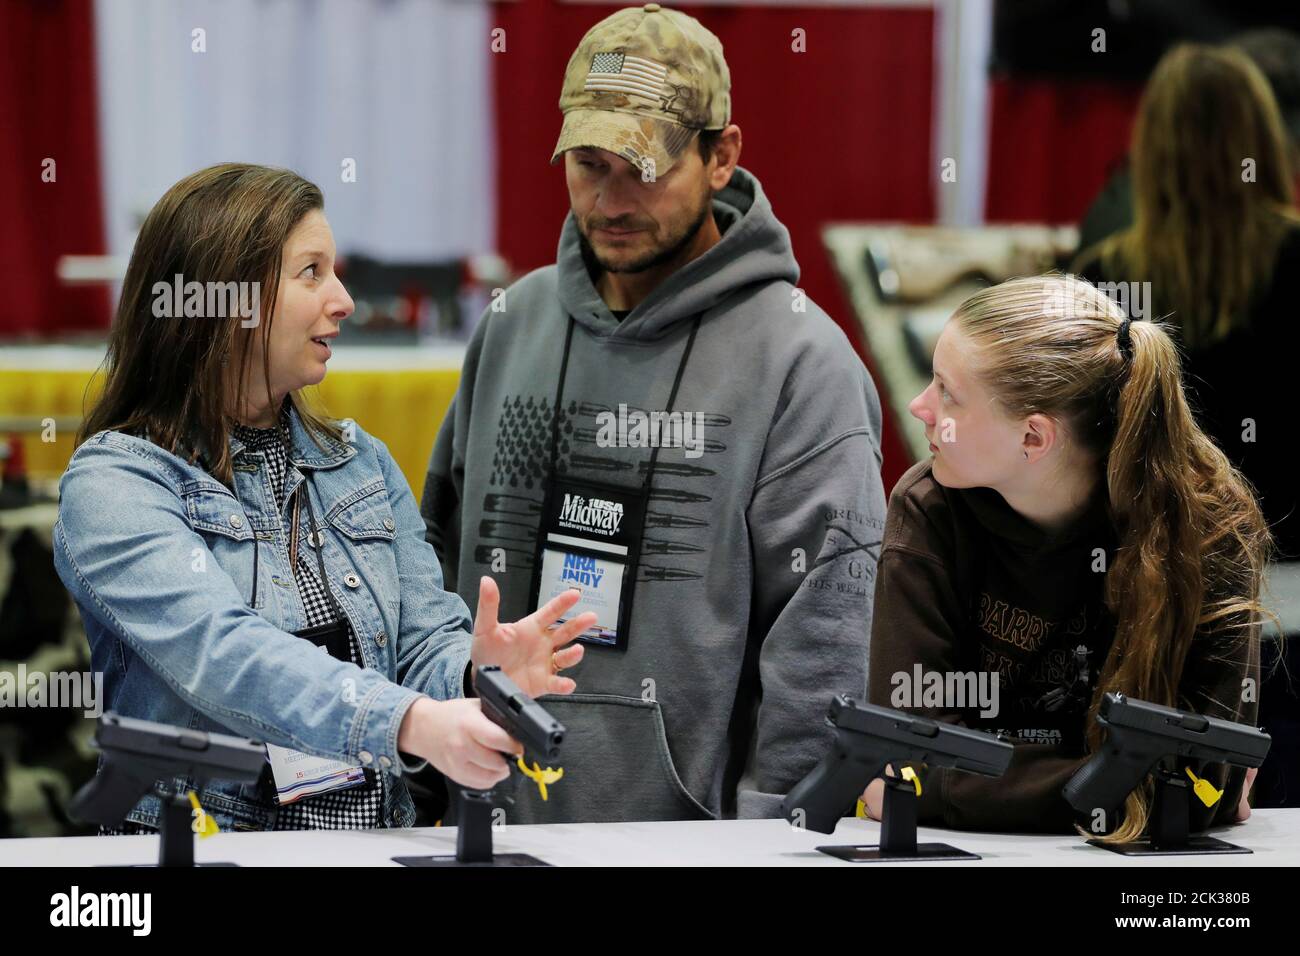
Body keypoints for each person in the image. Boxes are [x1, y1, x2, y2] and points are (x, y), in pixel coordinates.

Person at [421, 4, 887, 822]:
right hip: (477, 830)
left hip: (693, 849)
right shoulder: (511, 324)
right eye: (589, 163)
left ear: (722, 156)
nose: (609, 199)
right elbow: (429, 574)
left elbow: (825, 646)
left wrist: (777, 836)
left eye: (643, 166)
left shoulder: (802, 363)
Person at [53, 163, 595, 833]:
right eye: (311, 273)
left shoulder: (360, 461)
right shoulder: (115, 484)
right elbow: (226, 656)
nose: (342, 300)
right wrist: (410, 722)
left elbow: (422, 645)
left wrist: (473, 674)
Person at [865, 275, 1266, 842]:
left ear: (1033, 438)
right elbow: (903, 757)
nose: (919, 406)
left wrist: (945, 785)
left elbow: (1207, 784)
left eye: (946, 391)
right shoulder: (931, 509)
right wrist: (1131, 788)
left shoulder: (1208, 525)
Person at [1075, 43, 1300, 559]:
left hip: (1161, 570)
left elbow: (1092, 453)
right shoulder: (1294, 259)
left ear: (1151, 149)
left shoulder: (1102, 279)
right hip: (1289, 562)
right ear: (1266, 141)